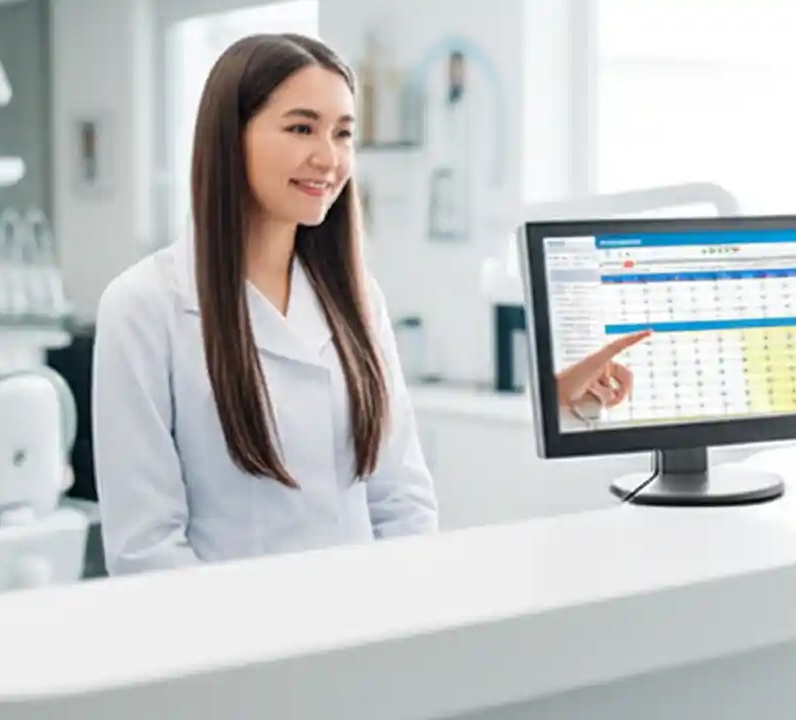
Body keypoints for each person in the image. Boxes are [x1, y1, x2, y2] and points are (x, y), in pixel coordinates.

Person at [92, 34, 648, 576]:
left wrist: (389, 618)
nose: (327, 158)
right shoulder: (144, 306)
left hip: (363, 628)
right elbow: (145, 549)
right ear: (229, 137)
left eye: (343, 133)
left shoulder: (356, 299)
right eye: (301, 127)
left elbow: (401, 499)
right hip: (230, 648)